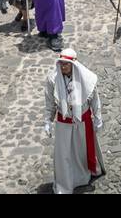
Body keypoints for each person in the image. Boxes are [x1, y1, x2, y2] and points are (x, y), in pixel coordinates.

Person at [44, 48, 104, 194]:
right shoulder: (52, 80)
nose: (63, 66)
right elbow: (50, 102)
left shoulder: (87, 79)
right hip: (64, 122)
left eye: (66, 64)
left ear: (73, 64)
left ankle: (83, 177)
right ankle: (65, 185)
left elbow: (94, 100)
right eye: (61, 63)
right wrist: (47, 121)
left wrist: (98, 118)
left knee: (81, 152)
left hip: (82, 121)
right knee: (64, 155)